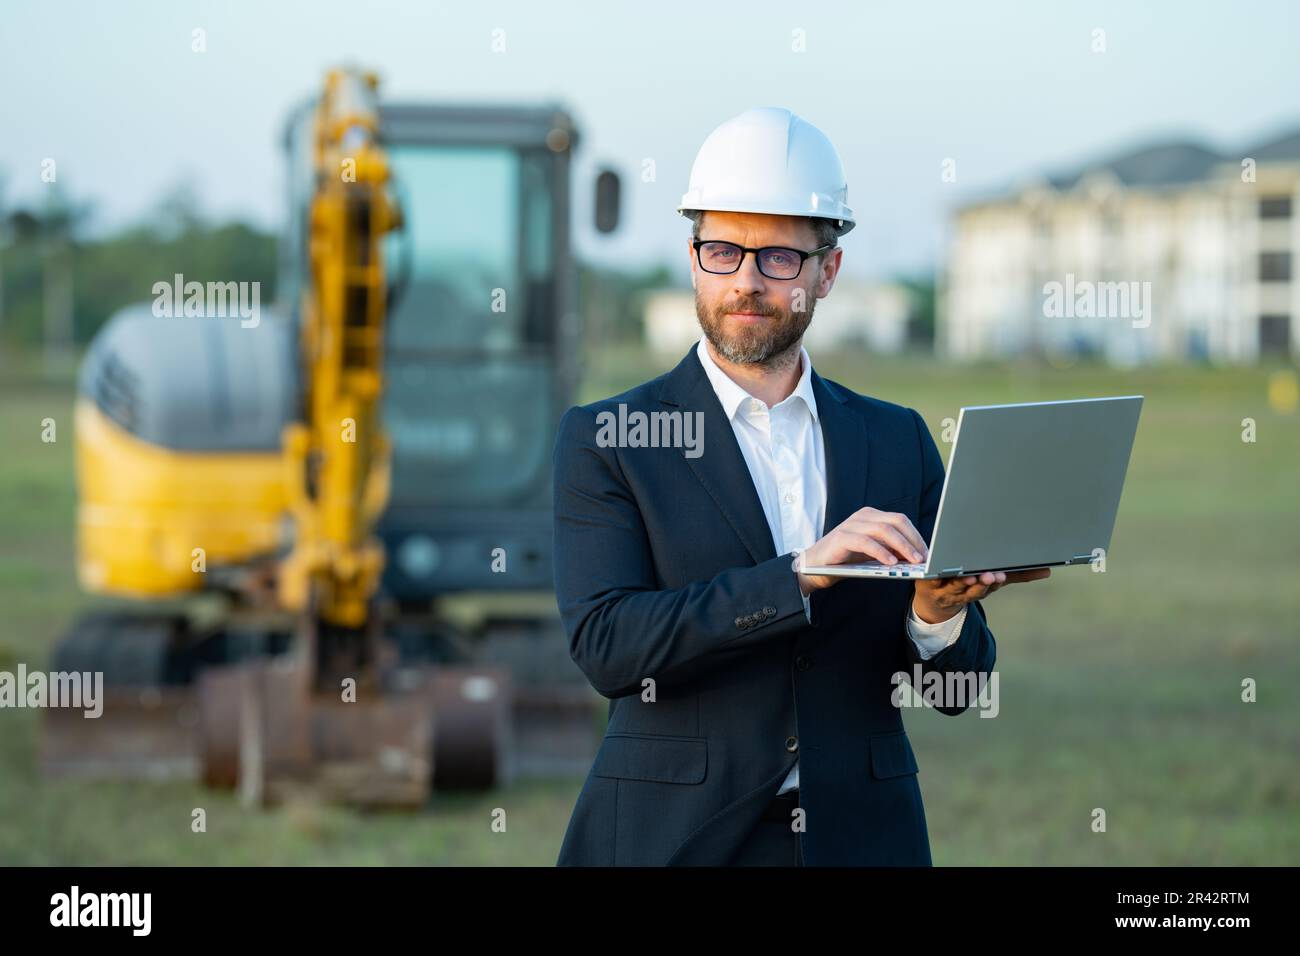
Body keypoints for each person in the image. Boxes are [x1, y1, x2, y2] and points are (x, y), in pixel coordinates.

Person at [552, 107, 1049, 866]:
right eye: (723, 251)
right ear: (693, 258)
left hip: (863, 842)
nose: (746, 282)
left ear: (828, 271)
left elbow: (959, 694)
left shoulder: (897, 439)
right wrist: (796, 577)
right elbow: (608, 648)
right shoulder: (609, 437)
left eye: (780, 258)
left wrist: (936, 614)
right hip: (675, 843)